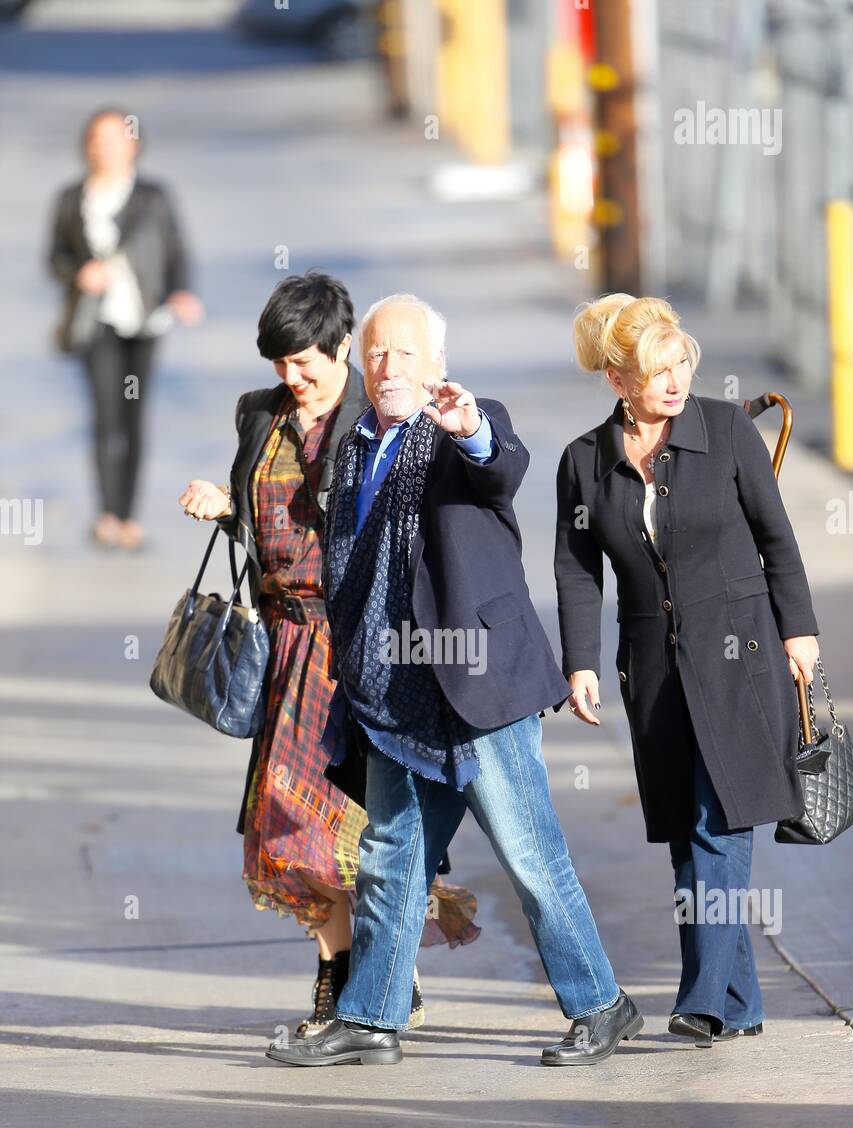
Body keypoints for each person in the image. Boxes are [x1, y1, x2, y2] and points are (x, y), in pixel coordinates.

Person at [265, 292, 641, 1069]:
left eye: (406, 352)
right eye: (376, 353)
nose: (389, 365)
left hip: (479, 686)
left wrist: (467, 426)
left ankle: (602, 1005)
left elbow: (499, 463)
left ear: (437, 362)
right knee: (391, 856)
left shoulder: (462, 422)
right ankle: (371, 1018)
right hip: (400, 695)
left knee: (529, 855)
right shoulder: (356, 445)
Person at [178, 274, 478, 1038]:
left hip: (359, 648)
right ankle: (348, 978)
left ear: (344, 347)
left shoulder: (374, 419)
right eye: (280, 362)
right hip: (286, 649)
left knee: (351, 826)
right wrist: (227, 507)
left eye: (306, 361)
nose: (293, 377)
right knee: (285, 830)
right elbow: (263, 517)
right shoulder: (259, 414)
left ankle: (368, 980)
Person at [555, 293, 820, 1048]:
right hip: (653, 670)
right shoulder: (584, 462)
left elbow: (777, 537)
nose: (674, 381)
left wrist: (798, 630)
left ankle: (700, 996)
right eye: (656, 369)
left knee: (718, 819)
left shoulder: (728, 429)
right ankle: (738, 1003)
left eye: (681, 363)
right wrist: (580, 664)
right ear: (618, 380)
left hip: (743, 654)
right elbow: (576, 573)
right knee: (685, 830)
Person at [48, 107, 202, 551]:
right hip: (95, 324)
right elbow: (55, 256)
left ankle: (129, 515)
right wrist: (79, 273)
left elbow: (176, 251)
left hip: (145, 321)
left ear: (134, 143)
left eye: (116, 138)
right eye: (98, 139)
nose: (106, 147)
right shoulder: (71, 198)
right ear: (87, 145)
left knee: (134, 417)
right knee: (104, 416)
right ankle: (107, 514)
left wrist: (181, 293)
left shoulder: (153, 197)